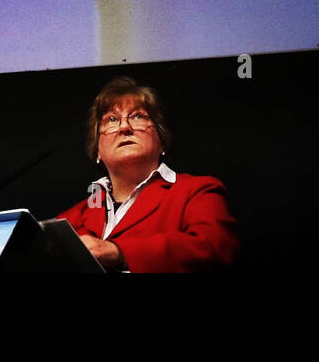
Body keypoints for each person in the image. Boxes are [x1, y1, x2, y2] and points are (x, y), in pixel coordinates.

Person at [55, 76, 239, 272]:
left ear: (161, 142)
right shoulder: (70, 220)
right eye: (112, 120)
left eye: (138, 116)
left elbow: (214, 248)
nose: (124, 128)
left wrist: (118, 252)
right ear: (97, 150)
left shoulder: (197, 192)